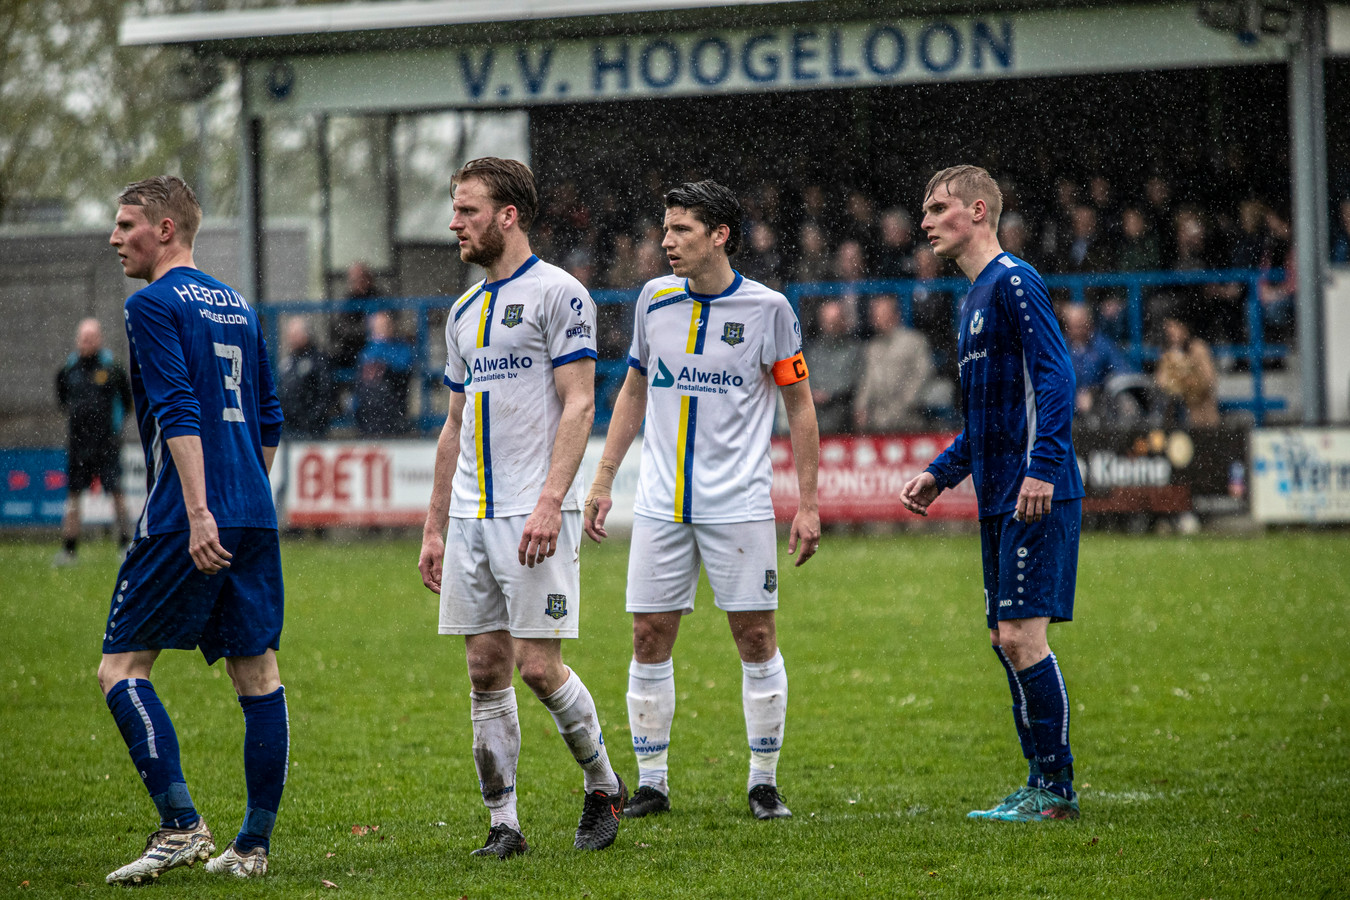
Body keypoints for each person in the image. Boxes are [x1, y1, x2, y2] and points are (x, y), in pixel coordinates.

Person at [583, 180, 821, 822]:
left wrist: (807, 502)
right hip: (661, 504)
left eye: (682, 229)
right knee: (647, 634)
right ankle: (653, 783)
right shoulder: (653, 300)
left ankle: (763, 782)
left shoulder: (769, 309)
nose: (667, 241)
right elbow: (632, 392)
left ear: (720, 235)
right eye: (665, 229)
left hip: (739, 505)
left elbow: (799, 406)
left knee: (755, 635)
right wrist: (604, 478)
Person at [418, 157, 626, 859]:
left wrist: (549, 502)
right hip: (472, 516)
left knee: (538, 667)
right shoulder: (463, 311)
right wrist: (434, 526)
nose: (455, 224)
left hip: (535, 514)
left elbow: (580, 402)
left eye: (468, 211)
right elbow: (453, 425)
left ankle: (603, 784)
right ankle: (503, 825)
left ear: (508, 216)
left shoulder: (560, 294)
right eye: (456, 210)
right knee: (484, 669)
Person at [100, 175, 288, 883]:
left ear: (166, 230)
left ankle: (181, 826)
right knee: (258, 675)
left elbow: (177, 408)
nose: (116, 238)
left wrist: (202, 508)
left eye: (127, 225)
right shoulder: (238, 304)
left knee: (120, 668)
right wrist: (241, 495)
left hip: (186, 515)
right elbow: (268, 414)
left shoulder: (150, 303)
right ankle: (252, 847)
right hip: (252, 510)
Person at [901, 166, 1084, 823]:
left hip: (1035, 491)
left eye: (937, 207)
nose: (925, 222)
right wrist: (941, 473)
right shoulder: (972, 298)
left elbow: (1056, 378)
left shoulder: (1013, 280)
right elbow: (986, 418)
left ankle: (1056, 791)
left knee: (1021, 637)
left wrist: (1043, 466)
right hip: (999, 496)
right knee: (1002, 638)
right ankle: (1038, 780)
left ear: (979, 211)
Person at [54, 317, 133, 565]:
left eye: (91, 337)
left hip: (106, 444)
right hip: (78, 446)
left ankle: (125, 545)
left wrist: (111, 429)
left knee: (117, 493)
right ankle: (69, 551)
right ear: (78, 339)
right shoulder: (68, 370)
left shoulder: (112, 368)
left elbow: (127, 402)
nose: (86, 342)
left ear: (99, 339)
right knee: (73, 496)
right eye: (83, 337)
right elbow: (63, 401)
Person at [853, 294, 934, 434]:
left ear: (896, 315)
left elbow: (923, 375)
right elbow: (867, 381)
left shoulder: (914, 341)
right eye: (875, 314)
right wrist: (861, 407)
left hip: (909, 419)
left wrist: (903, 405)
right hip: (877, 421)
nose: (877, 318)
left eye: (882, 313)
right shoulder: (872, 348)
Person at [1062, 303, 1134, 425]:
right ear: (1067, 327)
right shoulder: (1060, 348)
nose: (1079, 329)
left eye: (1082, 325)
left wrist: (1095, 395)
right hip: (1066, 408)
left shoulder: (1103, 345)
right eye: (1075, 326)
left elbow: (1123, 372)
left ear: (1090, 324)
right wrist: (1074, 400)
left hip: (1101, 409)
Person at [353, 310, 413, 436]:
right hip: (369, 417)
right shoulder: (366, 352)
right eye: (378, 326)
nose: (382, 330)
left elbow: (403, 369)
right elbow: (359, 385)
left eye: (385, 325)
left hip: (393, 414)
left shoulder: (401, 349)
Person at [1155, 313, 1220, 428]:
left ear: (1185, 328)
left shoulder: (1198, 348)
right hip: (1175, 414)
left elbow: (1209, 380)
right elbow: (1161, 382)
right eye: (1169, 327)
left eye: (1175, 326)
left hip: (1200, 413)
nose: (1171, 331)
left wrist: (1187, 379)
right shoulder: (1167, 353)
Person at [807, 299, 862, 435]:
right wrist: (812, 393)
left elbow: (857, 383)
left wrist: (832, 396)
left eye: (836, 320)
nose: (831, 325)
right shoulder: (813, 351)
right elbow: (805, 380)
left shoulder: (854, 350)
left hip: (844, 421)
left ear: (844, 321)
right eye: (828, 320)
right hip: (814, 420)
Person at [275, 316, 335, 439]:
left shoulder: (318, 359)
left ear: (305, 334)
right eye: (290, 334)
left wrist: (311, 420)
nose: (291, 339)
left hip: (311, 430)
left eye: (295, 334)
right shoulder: (288, 362)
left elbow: (325, 392)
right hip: (289, 428)